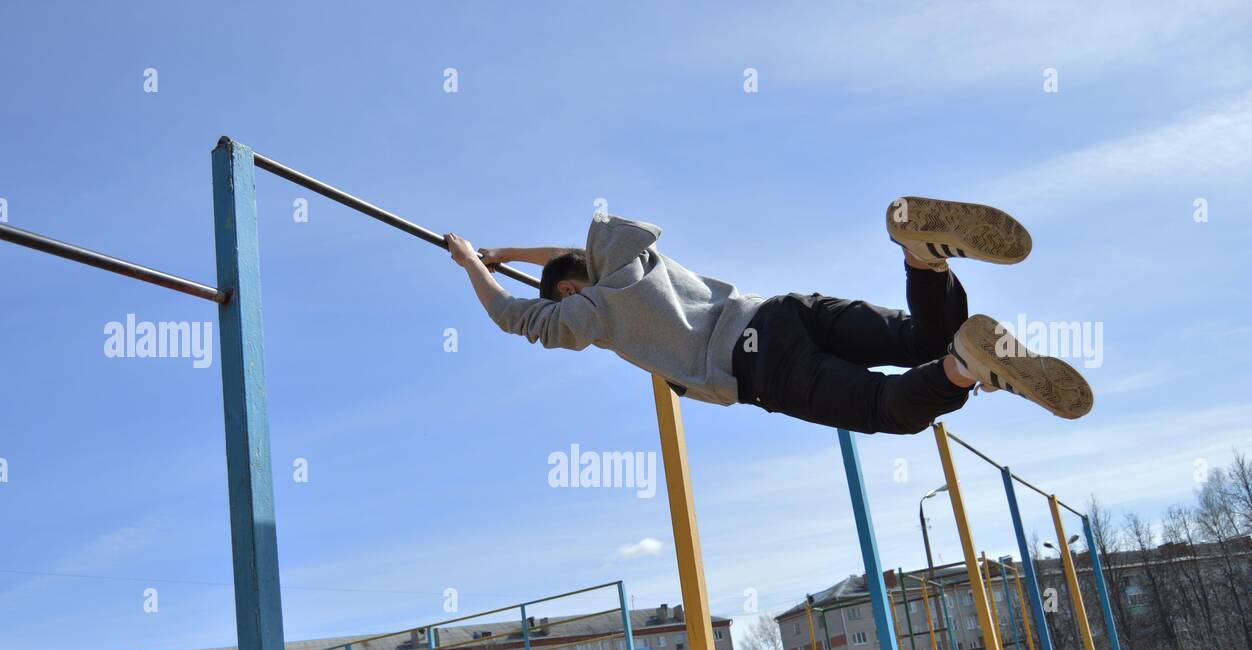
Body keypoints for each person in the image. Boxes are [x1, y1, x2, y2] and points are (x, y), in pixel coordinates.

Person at [443, 197, 1091, 434]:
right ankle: (924, 258)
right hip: (781, 311)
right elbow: (568, 254)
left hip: (756, 366)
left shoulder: (592, 311)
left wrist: (472, 261)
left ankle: (964, 367)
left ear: (565, 293)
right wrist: (506, 250)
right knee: (921, 332)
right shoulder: (633, 257)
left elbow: (512, 316)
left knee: (884, 407)